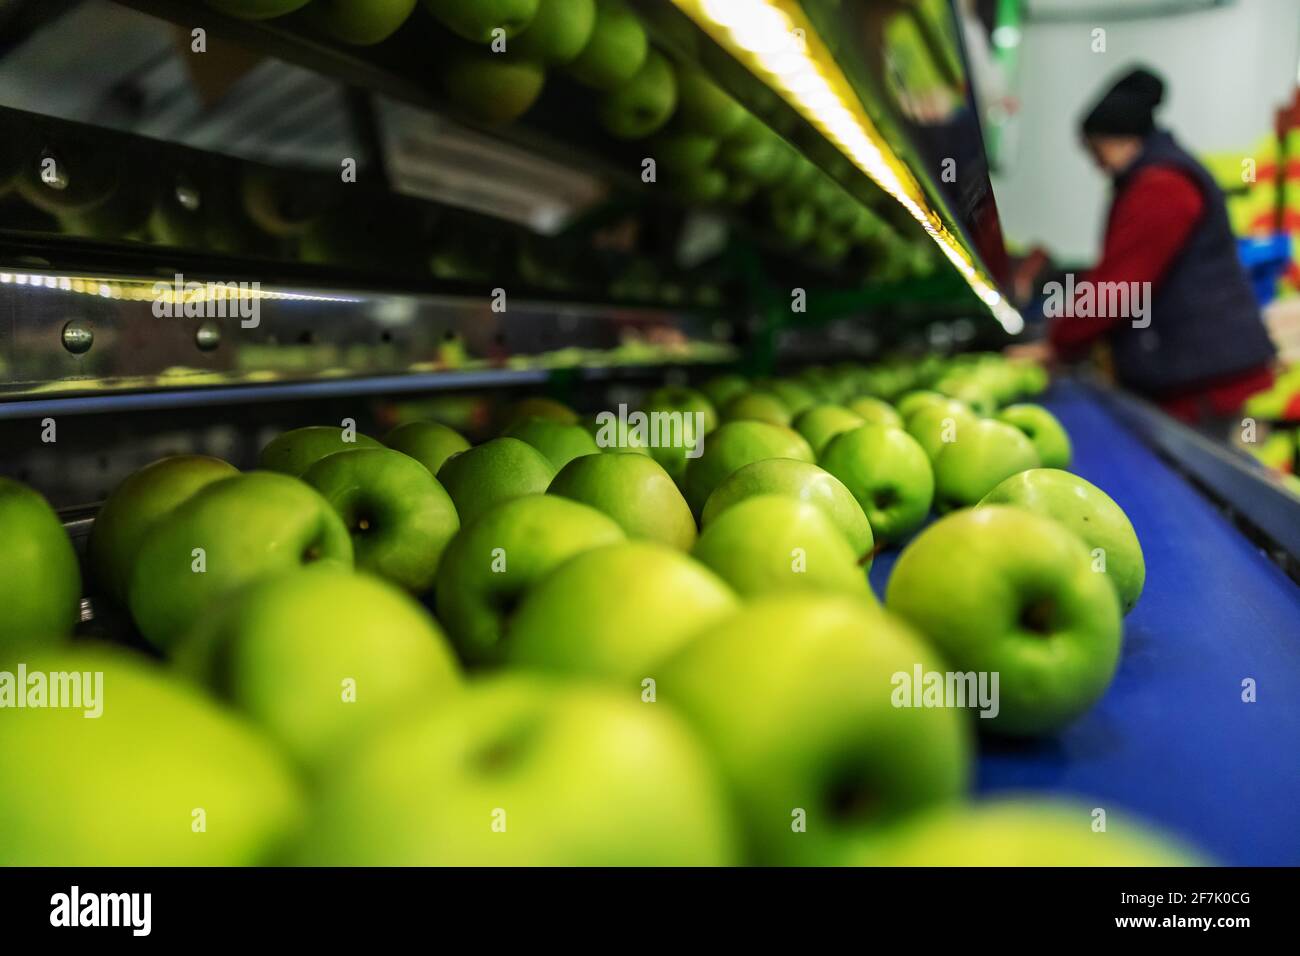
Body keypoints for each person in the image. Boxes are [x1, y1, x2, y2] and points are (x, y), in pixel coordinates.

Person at [1013, 67, 1277, 428]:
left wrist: (1058, 343)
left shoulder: (1162, 186)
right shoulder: (1157, 177)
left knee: (1196, 475)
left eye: (1096, 150)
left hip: (1201, 382)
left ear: (1122, 141)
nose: (1097, 165)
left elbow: (1121, 285)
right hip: (1198, 376)